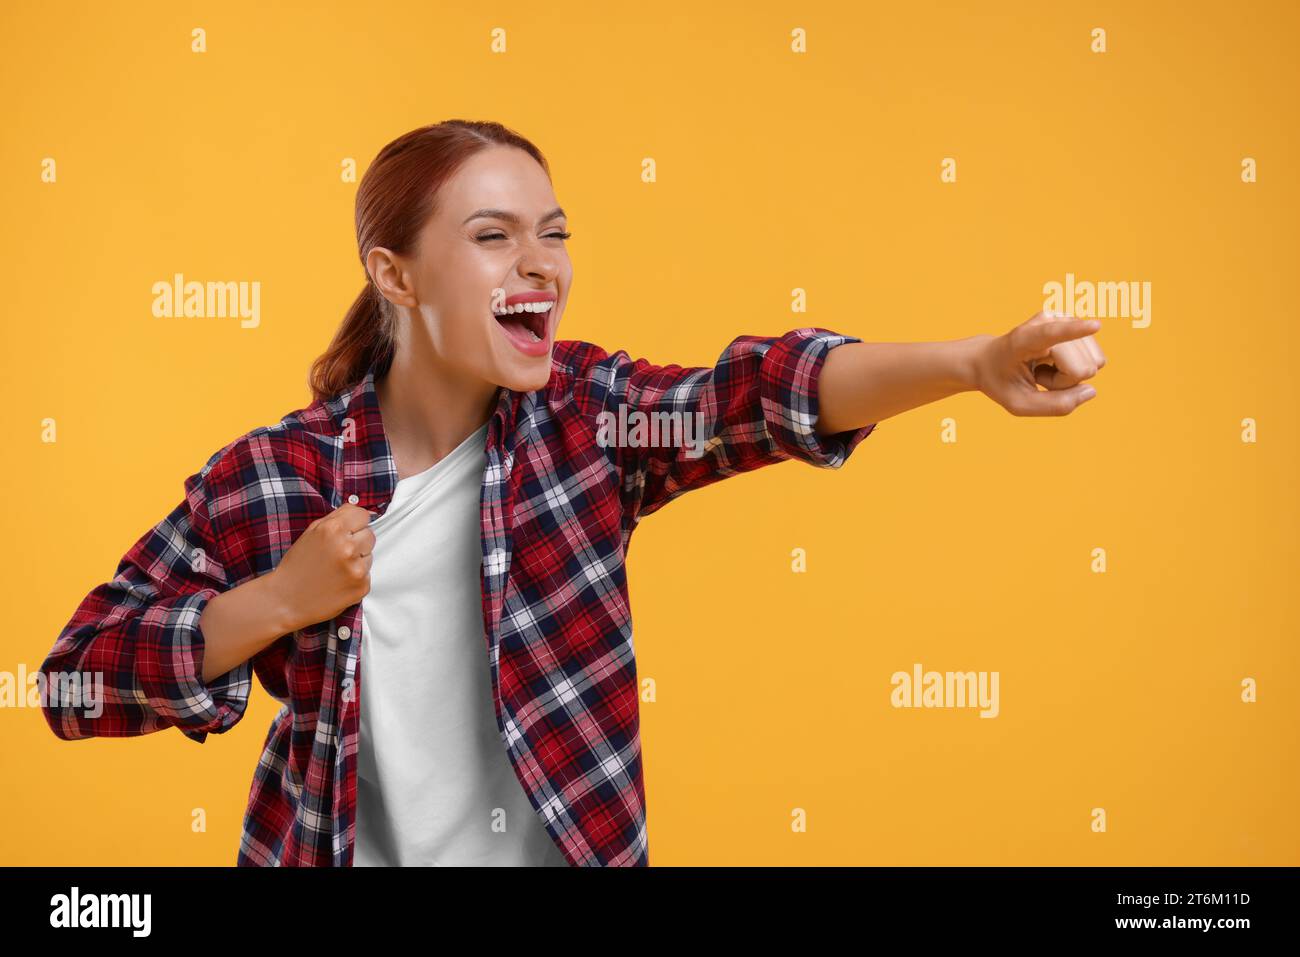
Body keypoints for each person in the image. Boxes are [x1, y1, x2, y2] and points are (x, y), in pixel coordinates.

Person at [40, 119, 1106, 867]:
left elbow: (756, 395)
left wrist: (971, 365)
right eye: (493, 235)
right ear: (394, 275)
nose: (540, 262)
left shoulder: (587, 423)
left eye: (553, 232)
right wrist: (277, 601)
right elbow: (73, 684)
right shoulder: (276, 479)